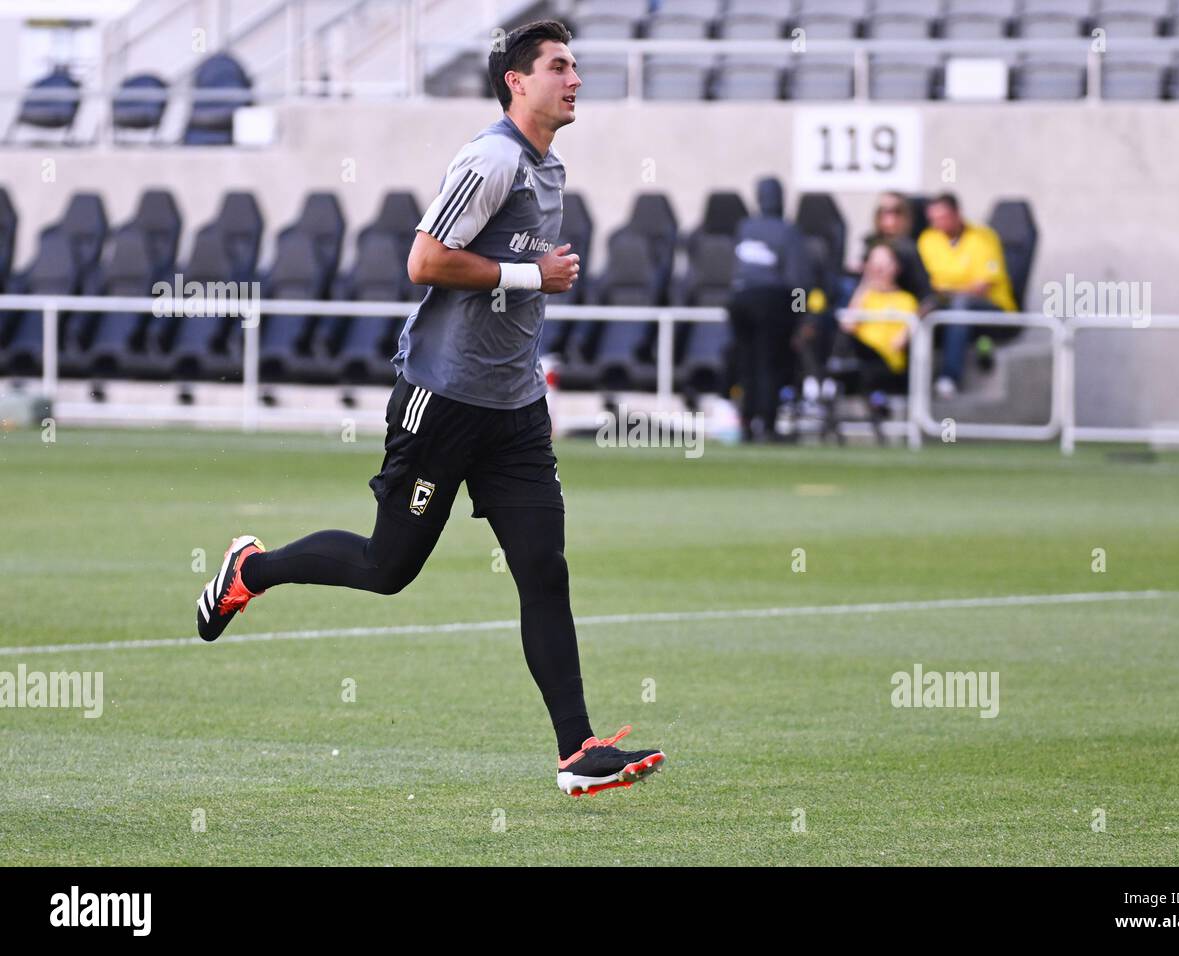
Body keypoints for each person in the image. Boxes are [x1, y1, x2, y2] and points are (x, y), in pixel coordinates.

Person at [193, 20, 664, 799]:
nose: (575, 79)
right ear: (518, 80)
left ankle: (577, 751)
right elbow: (425, 260)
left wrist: (530, 347)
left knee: (544, 569)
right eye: (559, 66)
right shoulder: (491, 159)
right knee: (388, 569)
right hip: (442, 401)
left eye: (576, 65)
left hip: (512, 411)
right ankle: (252, 569)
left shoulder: (548, 168)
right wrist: (530, 275)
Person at [728, 176, 813, 442]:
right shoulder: (788, 231)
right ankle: (767, 424)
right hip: (770, 302)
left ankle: (745, 422)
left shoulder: (745, 227)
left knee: (747, 363)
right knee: (769, 363)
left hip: (739, 300)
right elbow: (799, 281)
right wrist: (800, 315)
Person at [916, 193, 1016, 398]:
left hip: (994, 309)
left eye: (942, 217)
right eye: (933, 219)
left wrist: (946, 290)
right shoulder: (928, 240)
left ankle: (949, 378)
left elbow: (982, 287)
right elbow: (924, 282)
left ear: (957, 214)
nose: (938, 224)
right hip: (946, 306)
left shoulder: (983, 237)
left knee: (960, 304)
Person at [831, 243, 917, 440]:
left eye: (884, 264)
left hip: (886, 362)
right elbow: (847, 326)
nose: (878, 270)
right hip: (859, 360)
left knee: (859, 351)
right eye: (874, 264)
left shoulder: (906, 300)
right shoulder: (865, 296)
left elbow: (898, 343)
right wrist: (865, 285)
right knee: (840, 335)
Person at [861, 191, 931, 303]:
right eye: (884, 211)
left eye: (896, 211)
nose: (890, 217)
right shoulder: (870, 244)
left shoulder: (909, 249)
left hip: (900, 311)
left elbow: (923, 293)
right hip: (870, 307)